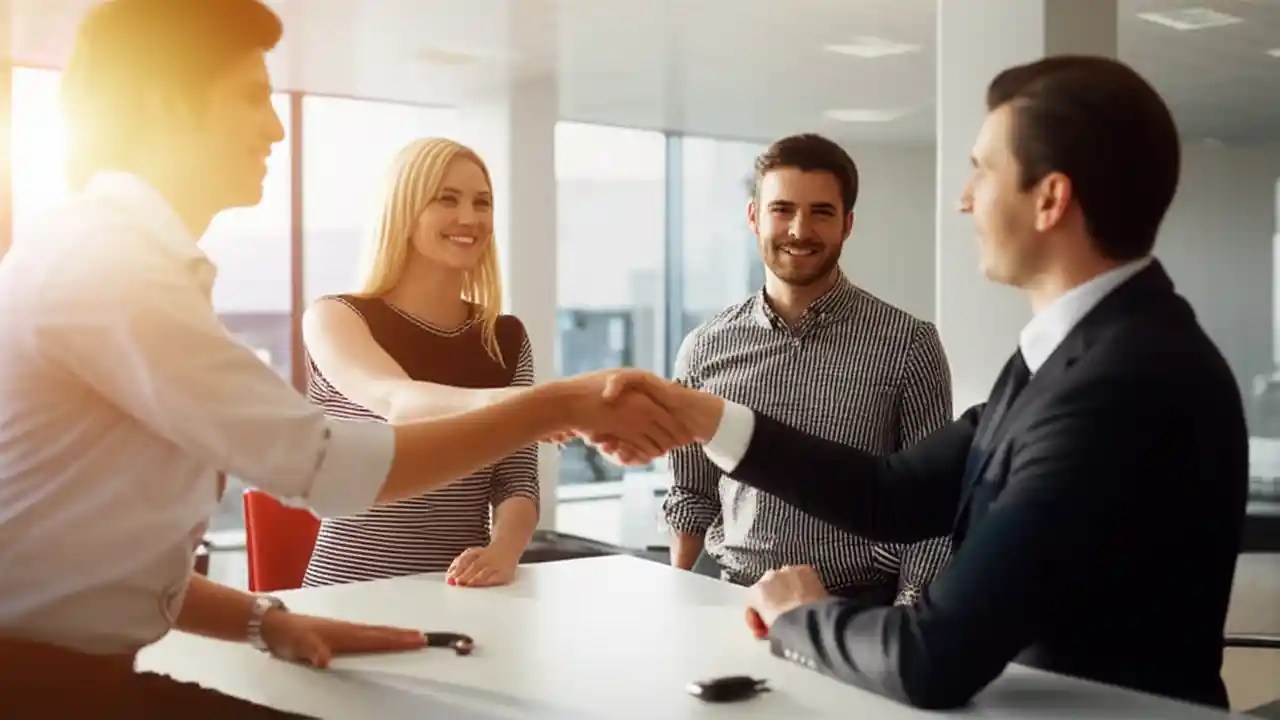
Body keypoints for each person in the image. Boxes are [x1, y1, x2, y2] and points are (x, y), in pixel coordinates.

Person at [0, 0, 684, 714]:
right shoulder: (111, 269)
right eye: (251, 98)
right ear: (166, 106)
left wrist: (267, 621)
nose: (274, 127)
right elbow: (326, 466)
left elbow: (97, 561)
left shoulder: (122, 260)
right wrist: (556, 404)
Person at [598, 56, 1248, 710]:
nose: (965, 199)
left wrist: (799, 615)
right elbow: (891, 492)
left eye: (982, 171)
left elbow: (934, 657)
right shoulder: (1067, 358)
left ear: (1049, 199)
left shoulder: (1121, 384)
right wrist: (704, 415)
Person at [663, 133, 952, 606]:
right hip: (735, 602)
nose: (800, 230)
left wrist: (908, 619)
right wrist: (675, 602)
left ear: (847, 224)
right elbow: (691, 493)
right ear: (754, 217)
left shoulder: (909, 344)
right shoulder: (704, 348)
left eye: (821, 212)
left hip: (858, 609)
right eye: (782, 209)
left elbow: (932, 507)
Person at [301, 138, 539, 589]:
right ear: (404, 211)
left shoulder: (506, 339)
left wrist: (503, 551)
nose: (469, 217)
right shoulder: (335, 317)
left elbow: (517, 479)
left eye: (482, 202)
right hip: (350, 589)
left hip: (463, 590)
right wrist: (532, 407)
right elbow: (399, 402)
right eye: (447, 199)